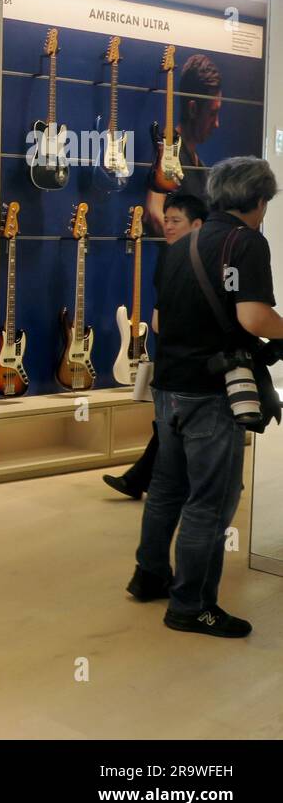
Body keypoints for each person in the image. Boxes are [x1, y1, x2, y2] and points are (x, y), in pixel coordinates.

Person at [128, 157, 283, 638]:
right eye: (266, 204)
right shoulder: (246, 243)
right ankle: (191, 605)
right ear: (257, 201)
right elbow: (255, 318)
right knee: (211, 502)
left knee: (168, 489)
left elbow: (157, 323)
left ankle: (150, 573)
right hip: (212, 392)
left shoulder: (179, 245)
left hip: (169, 386)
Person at [103, 191, 208, 498]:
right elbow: (160, 314)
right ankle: (143, 479)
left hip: (189, 356)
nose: (168, 226)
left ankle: (142, 479)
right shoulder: (168, 256)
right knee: (170, 422)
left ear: (197, 224)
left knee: (173, 422)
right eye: (166, 220)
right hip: (172, 352)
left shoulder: (207, 258)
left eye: (176, 220)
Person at [143, 54, 222, 234]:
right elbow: (153, 213)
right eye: (212, 113)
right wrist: (188, 249)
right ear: (193, 109)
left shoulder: (198, 164)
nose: (216, 123)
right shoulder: (169, 151)